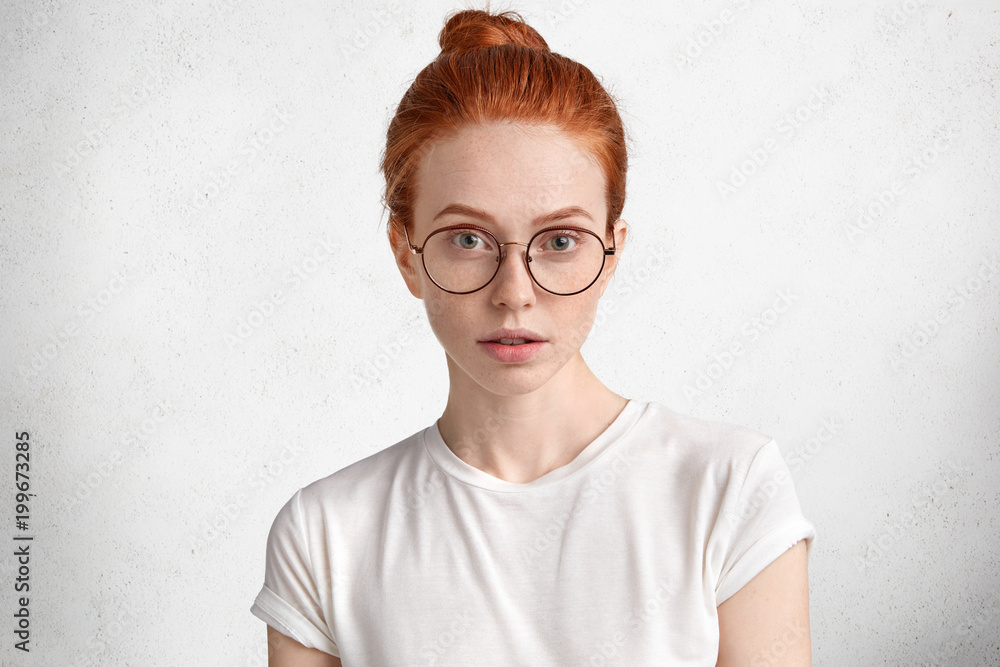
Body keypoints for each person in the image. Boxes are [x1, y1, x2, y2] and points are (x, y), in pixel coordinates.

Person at [250, 7, 816, 666]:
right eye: (468, 239)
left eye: (559, 241)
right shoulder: (325, 535)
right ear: (407, 255)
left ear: (611, 252)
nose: (514, 290)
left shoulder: (730, 489)